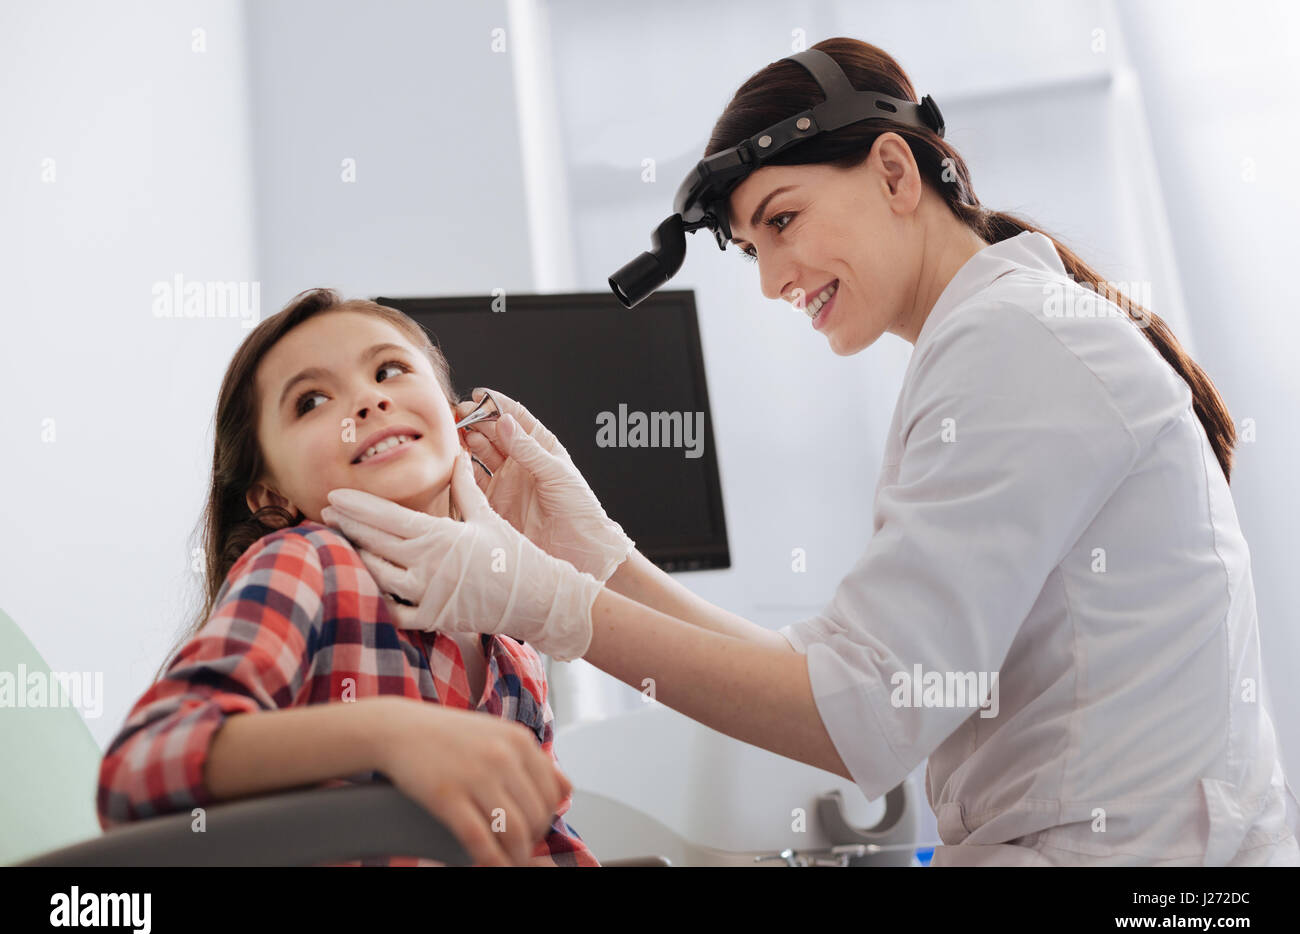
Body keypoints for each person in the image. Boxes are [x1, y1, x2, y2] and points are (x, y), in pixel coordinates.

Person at [319, 38, 1299, 866]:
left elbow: (861, 716)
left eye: (781, 220)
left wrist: (546, 603)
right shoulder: (995, 337)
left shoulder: (1015, 344)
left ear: (892, 172)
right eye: (751, 248)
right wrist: (602, 561)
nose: (771, 279)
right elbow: (837, 678)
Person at [97, 288, 596, 867]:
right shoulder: (305, 566)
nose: (367, 401)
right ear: (271, 496)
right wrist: (389, 731)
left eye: (390, 369)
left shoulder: (516, 654)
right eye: (310, 401)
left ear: (458, 421)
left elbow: (547, 843)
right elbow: (139, 771)